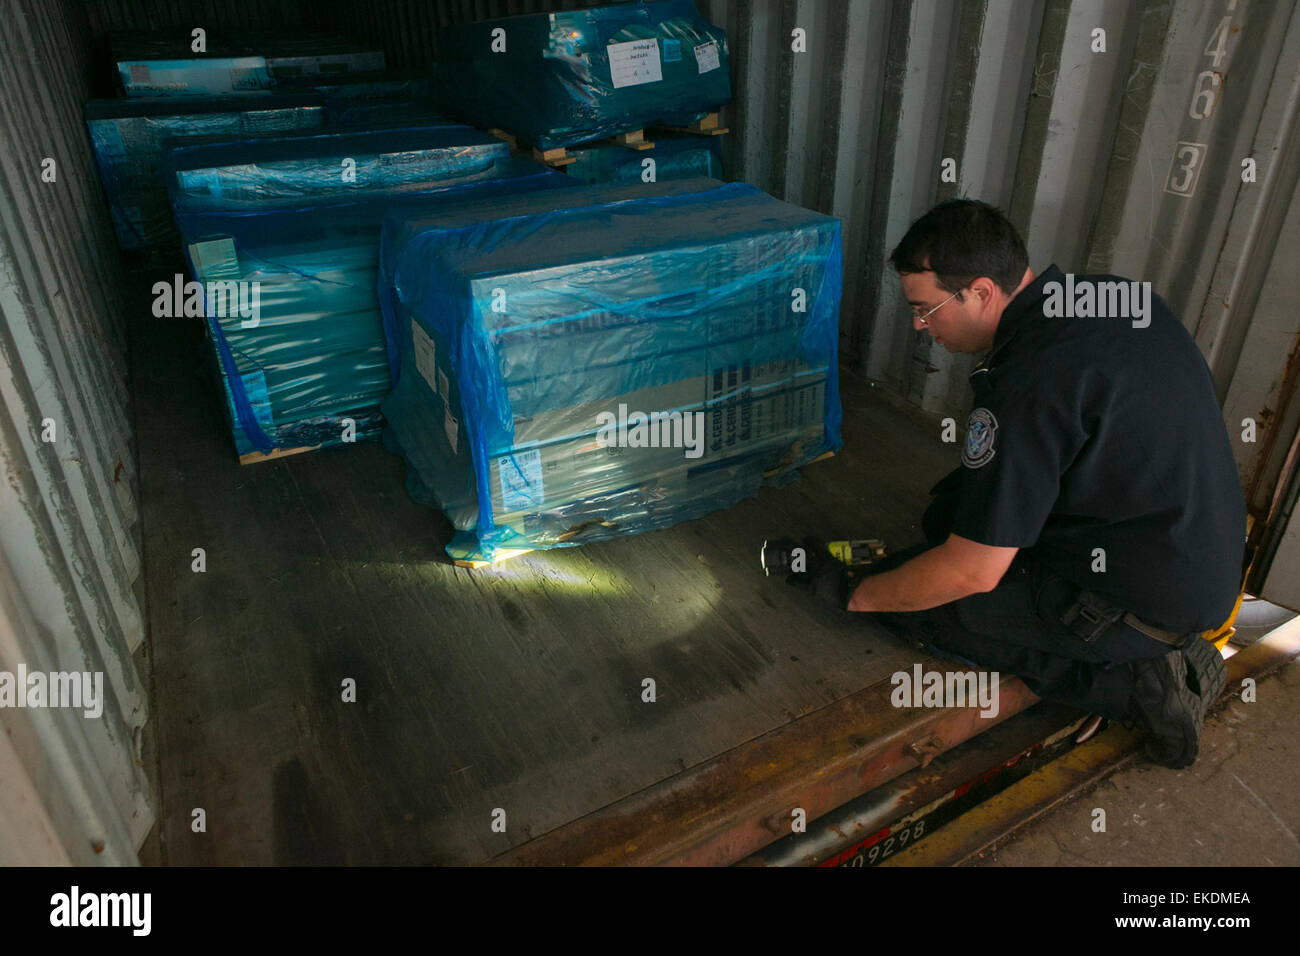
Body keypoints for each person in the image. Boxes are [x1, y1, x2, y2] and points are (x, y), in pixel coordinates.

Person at [843, 199, 1245, 769]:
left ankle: (1138, 682)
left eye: (925, 310)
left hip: (1146, 602)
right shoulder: (1106, 297)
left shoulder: (1028, 383)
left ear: (981, 291)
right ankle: (1141, 641)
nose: (919, 326)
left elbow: (970, 572)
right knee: (946, 517)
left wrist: (862, 593)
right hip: (1190, 546)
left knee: (923, 604)